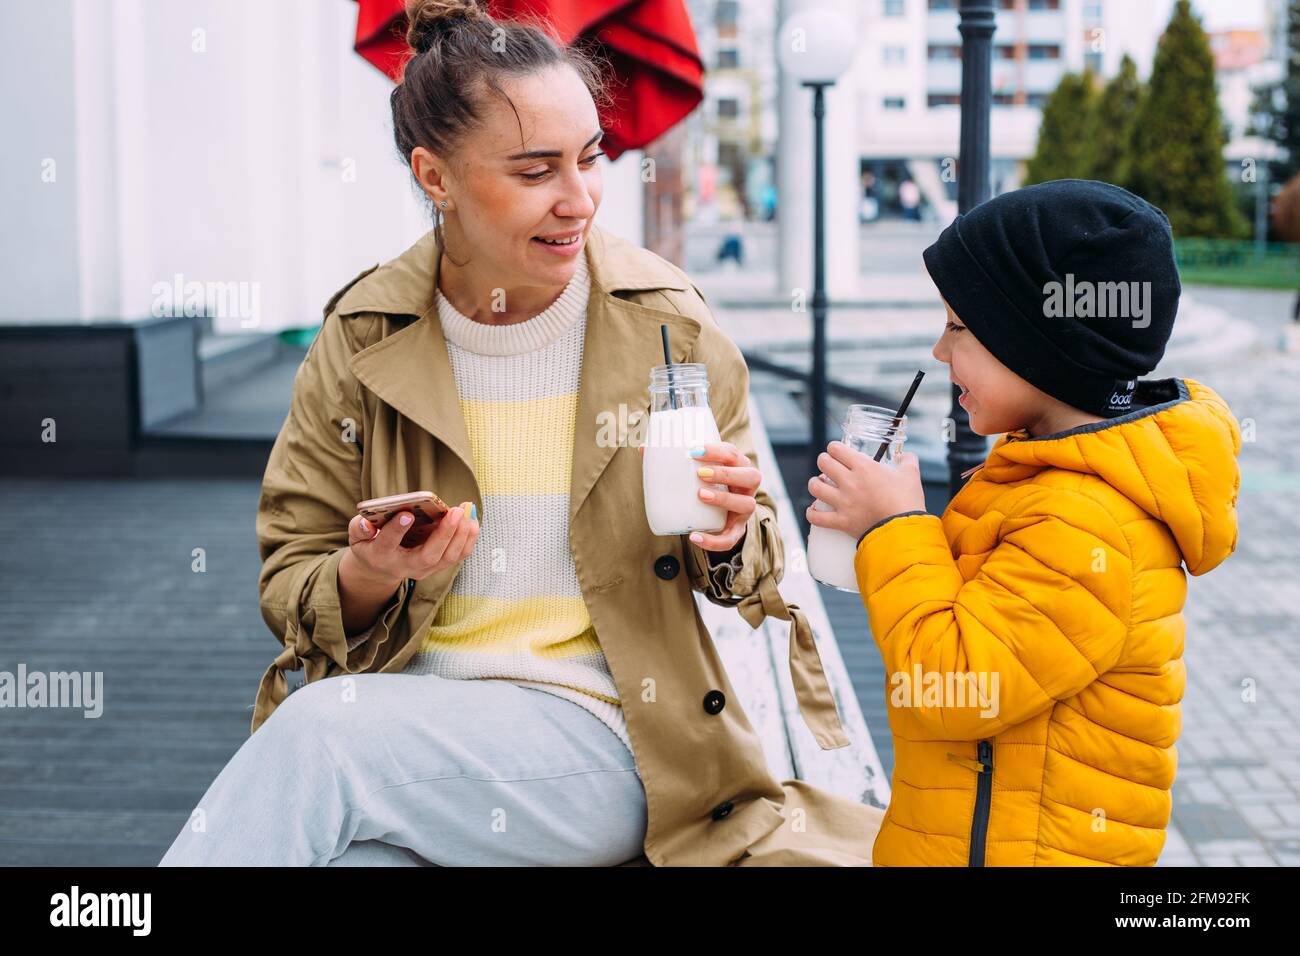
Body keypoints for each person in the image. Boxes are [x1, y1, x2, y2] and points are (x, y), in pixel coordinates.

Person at [159, 0, 882, 867]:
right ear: (436, 177)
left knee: (321, 731)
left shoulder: (664, 324)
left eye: (590, 158)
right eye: (537, 171)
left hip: (611, 740)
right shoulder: (362, 334)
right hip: (414, 734)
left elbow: (753, 567)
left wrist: (728, 536)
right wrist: (367, 571)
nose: (578, 200)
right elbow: (292, 574)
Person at [805, 180, 1242, 866]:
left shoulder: (1085, 522)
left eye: (959, 327)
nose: (938, 352)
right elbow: (973, 615)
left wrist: (896, 528)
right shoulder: (1041, 475)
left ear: (1039, 344)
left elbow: (953, 684)